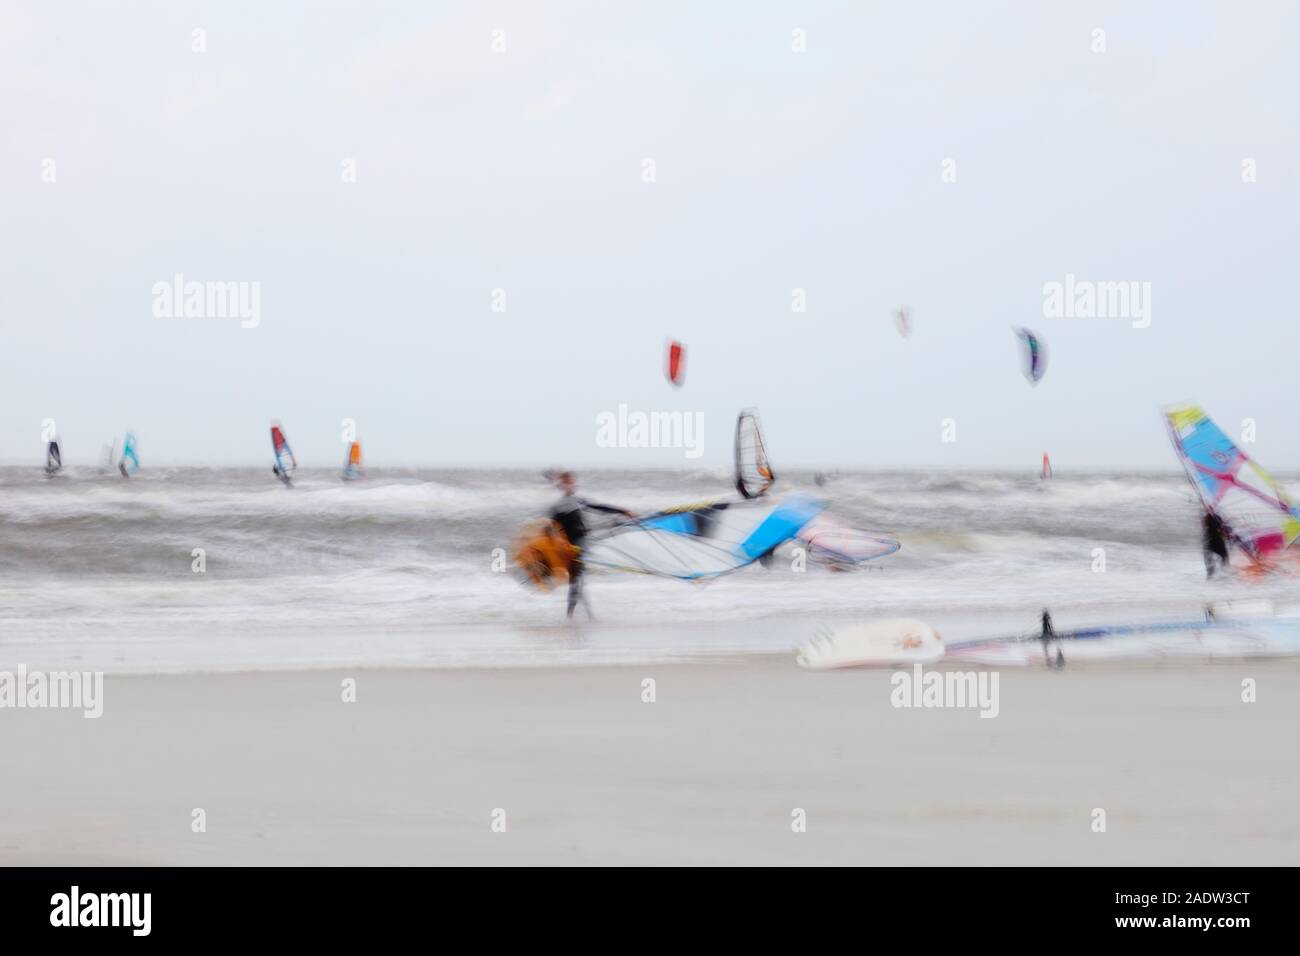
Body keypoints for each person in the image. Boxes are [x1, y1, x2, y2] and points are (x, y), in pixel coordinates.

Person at [549, 472, 635, 620]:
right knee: (577, 580)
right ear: (561, 485)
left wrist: (622, 511)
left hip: (579, 544)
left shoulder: (575, 501)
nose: (571, 485)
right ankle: (577, 616)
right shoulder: (560, 506)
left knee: (578, 580)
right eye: (567, 482)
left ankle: (580, 616)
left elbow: (599, 507)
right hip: (572, 546)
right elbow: (551, 529)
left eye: (571, 482)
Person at [1202, 509, 1229, 579]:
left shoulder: (1208, 518)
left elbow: (1222, 530)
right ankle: (1223, 575)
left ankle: (1211, 578)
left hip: (1209, 542)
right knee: (1224, 559)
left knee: (1210, 567)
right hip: (1215, 542)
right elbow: (1223, 531)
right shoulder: (1215, 518)